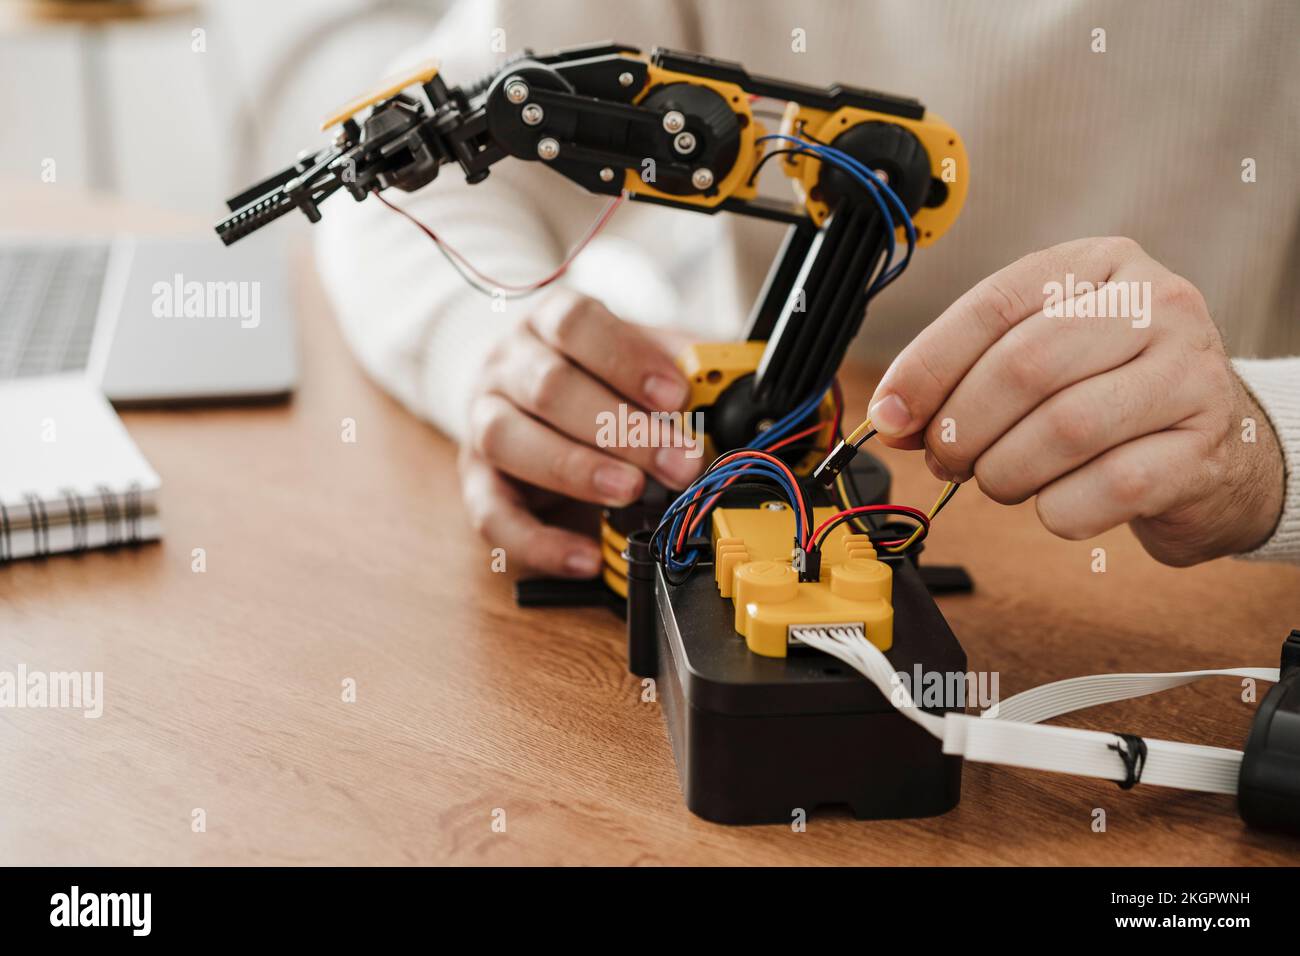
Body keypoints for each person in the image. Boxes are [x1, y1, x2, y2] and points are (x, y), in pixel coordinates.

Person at [316, 0, 1300, 577]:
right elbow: (426, 146)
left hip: (1191, 590)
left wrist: (1264, 441)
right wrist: (491, 348)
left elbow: (1262, 446)